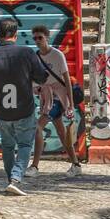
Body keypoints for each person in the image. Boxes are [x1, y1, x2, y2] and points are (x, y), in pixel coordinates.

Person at [0, 18, 48, 195]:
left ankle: (11, 179)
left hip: (2, 112)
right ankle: (16, 179)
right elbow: (42, 77)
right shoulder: (27, 53)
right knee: (24, 144)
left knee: (7, 146)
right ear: (15, 35)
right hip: (24, 109)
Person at [26, 24, 82, 177]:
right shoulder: (35, 57)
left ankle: (35, 166)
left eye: (40, 38)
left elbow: (67, 80)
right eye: (35, 38)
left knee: (38, 127)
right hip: (47, 97)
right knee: (62, 133)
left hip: (58, 98)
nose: (37, 41)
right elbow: (34, 79)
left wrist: (70, 103)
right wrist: (36, 89)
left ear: (47, 38)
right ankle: (76, 164)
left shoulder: (57, 55)